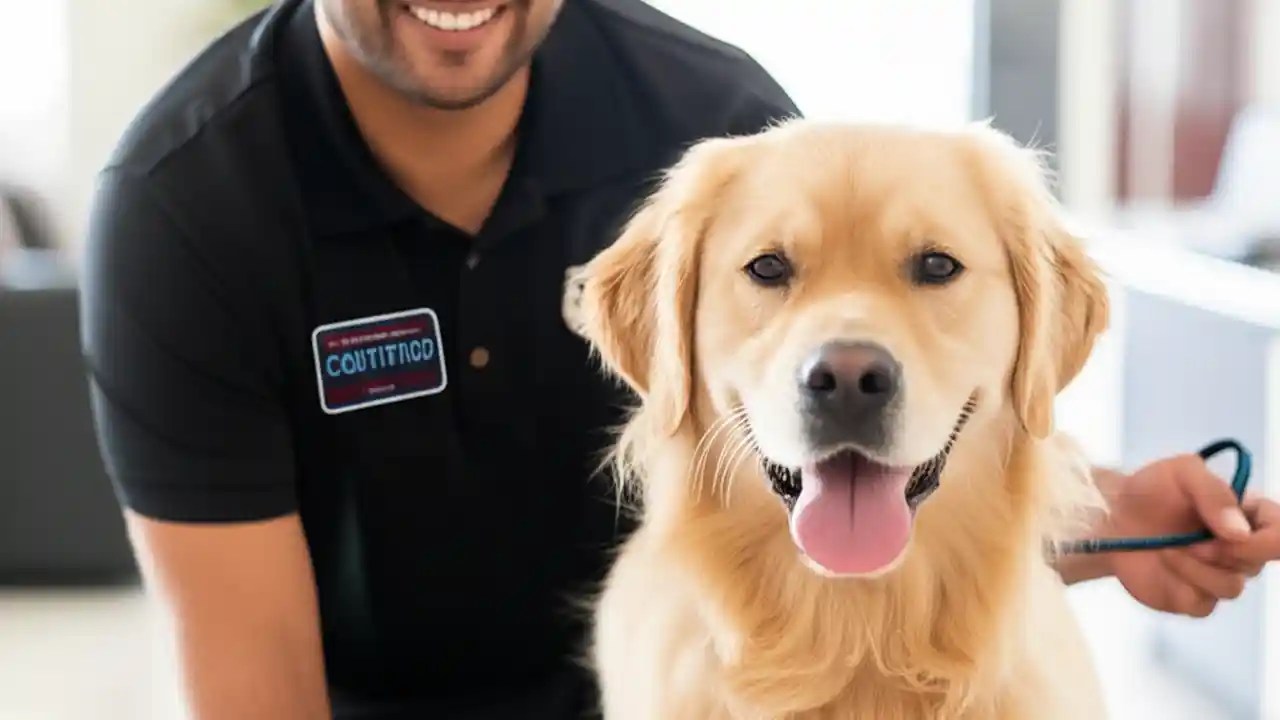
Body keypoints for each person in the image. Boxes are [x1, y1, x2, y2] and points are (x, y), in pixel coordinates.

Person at [79, 1, 1280, 718]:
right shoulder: (187, 207)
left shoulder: (702, 111)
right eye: (771, 274)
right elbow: (252, 695)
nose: (841, 352)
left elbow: (860, 473)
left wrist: (1108, 516)